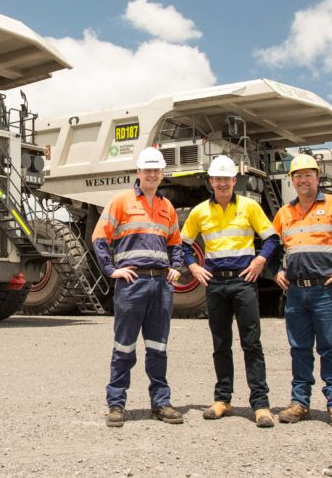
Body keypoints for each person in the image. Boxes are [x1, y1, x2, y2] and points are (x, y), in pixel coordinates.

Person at [181, 155, 281, 428]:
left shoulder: (249, 206)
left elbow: (272, 238)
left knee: (252, 343)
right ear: (210, 181)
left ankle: (260, 404)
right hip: (215, 284)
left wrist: (260, 261)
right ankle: (222, 399)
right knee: (221, 343)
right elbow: (183, 244)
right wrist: (194, 266)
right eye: (217, 179)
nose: (222, 183)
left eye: (226, 178)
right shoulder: (199, 211)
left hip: (243, 282)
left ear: (235, 180)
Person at [272, 154, 332, 430]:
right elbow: (271, 245)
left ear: (317, 177)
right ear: (291, 180)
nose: (303, 180)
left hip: (326, 291)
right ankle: (299, 402)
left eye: (308, 175)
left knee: (329, 348)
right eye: (298, 176)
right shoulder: (284, 213)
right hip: (296, 292)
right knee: (299, 349)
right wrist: (276, 271)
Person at [93, 146, 186, 427]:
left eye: (156, 170)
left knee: (158, 347)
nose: (152, 175)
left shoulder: (167, 207)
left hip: (161, 285)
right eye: (147, 170)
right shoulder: (121, 202)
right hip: (132, 284)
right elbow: (99, 238)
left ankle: (161, 403)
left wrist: (176, 267)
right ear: (138, 172)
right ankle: (116, 404)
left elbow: (176, 243)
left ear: (162, 173)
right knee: (124, 347)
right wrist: (112, 270)